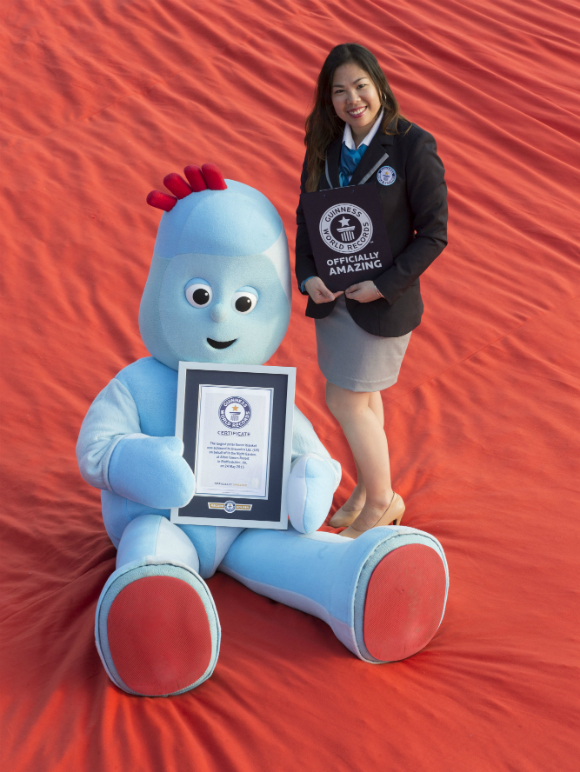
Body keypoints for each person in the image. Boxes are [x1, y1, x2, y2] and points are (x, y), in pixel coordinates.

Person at [295, 43, 448, 538]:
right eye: (338, 91)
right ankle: (367, 487)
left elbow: (434, 233)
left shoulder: (411, 145)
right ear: (328, 100)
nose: (351, 99)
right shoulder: (324, 144)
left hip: (380, 302)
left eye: (360, 85)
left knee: (344, 400)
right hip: (333, 298)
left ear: (379, 84)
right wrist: (307, 275)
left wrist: (382, 285)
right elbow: (306, 218)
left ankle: (383, 500)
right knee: (364, 398)